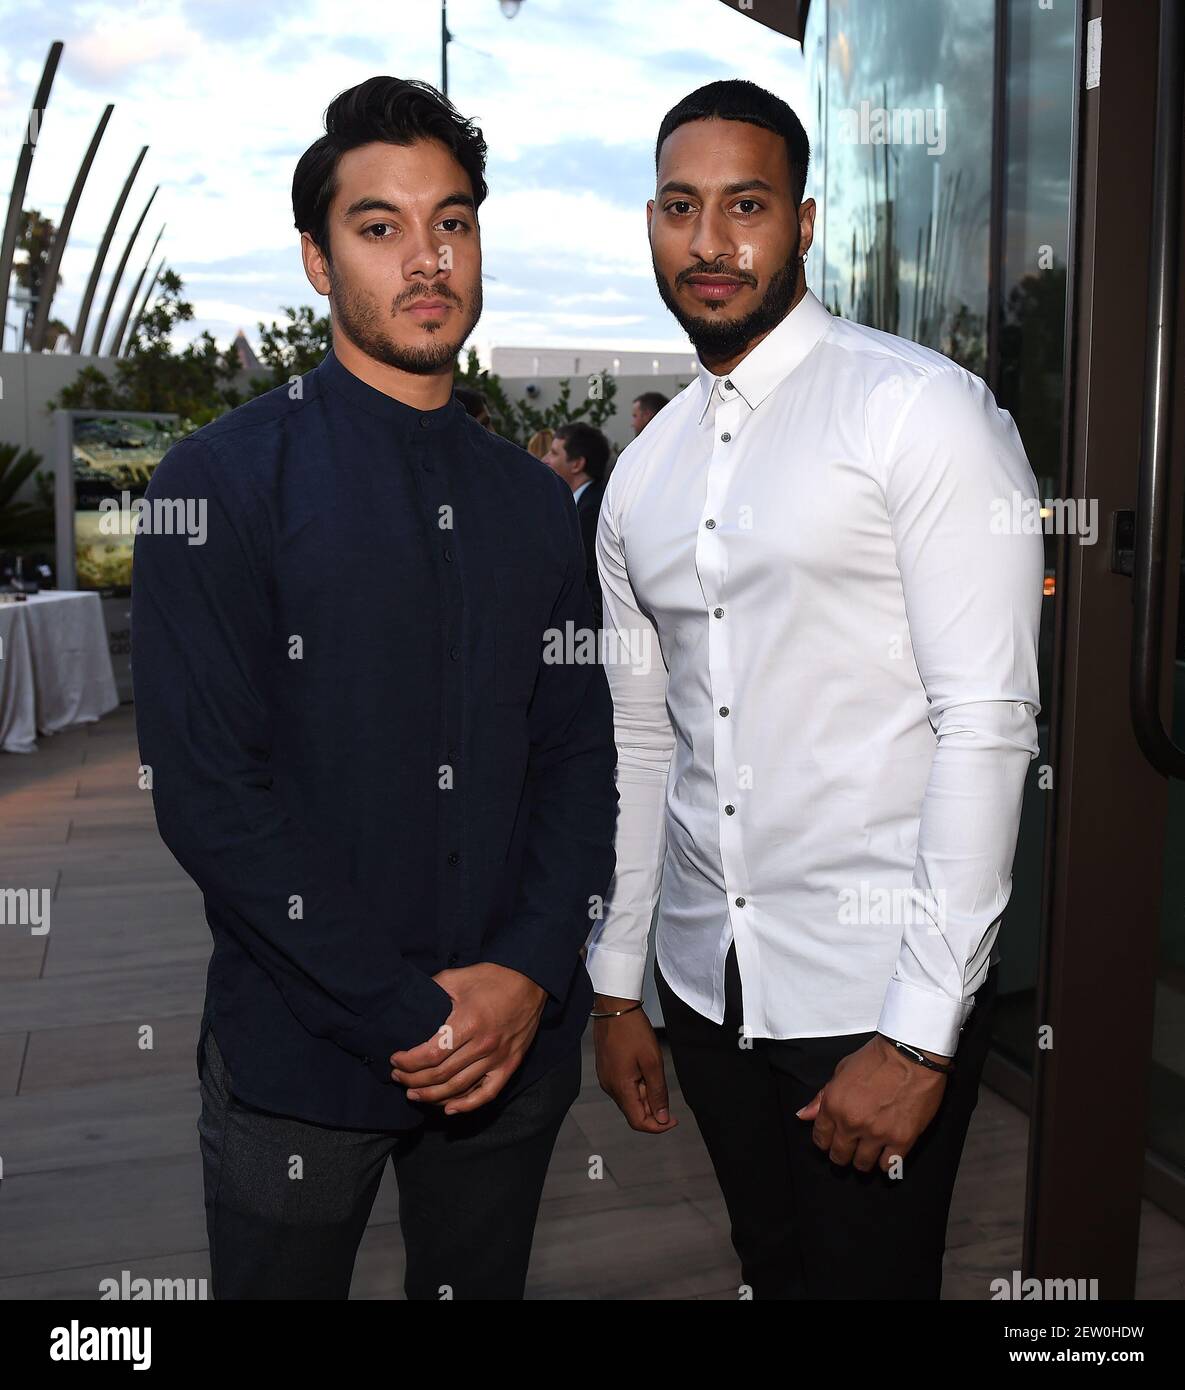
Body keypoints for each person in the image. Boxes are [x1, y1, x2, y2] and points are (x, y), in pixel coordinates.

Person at [132, 75, 617, 1301]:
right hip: (301, 1057)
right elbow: (209, 798)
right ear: (315, 257)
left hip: (512, 1051)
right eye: (380, 225)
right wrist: (411, 1010)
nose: (427, 258)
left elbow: (577, 755)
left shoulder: (530, 502)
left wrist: (525, 976)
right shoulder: (221, 483)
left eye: (451, 221)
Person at [586, 79, 1043, 1300]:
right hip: (704, 982)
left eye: (747, 204)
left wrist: (918, 1030)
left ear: (802, 220)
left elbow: (987, 728)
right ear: (650, 224)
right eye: (682, 207)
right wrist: (618, 979)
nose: (712, 240)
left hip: (872, 993)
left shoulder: (920, 412)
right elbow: (641, 741)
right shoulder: (642, 475)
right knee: (772, 1268)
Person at [542, 421, 610, 625]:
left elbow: (590, 582)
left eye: (554, 453)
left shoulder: (593, 512)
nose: (545, 459)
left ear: (577, 464)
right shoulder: (582, 503)